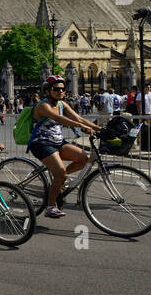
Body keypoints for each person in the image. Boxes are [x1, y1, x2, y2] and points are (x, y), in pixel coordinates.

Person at [27, 75, 98, 219]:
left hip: (58, 142)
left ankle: (58, 180)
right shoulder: (42, 106)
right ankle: (50, 207)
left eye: (63, 89)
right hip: (42, 143)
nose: (60, 91)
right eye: (56, 89)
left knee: (84, 159)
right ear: (47, 91)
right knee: (61, 173)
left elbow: (79, 118)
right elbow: (58, 118)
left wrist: (99, 128)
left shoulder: (62, 104)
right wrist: (81, 126)